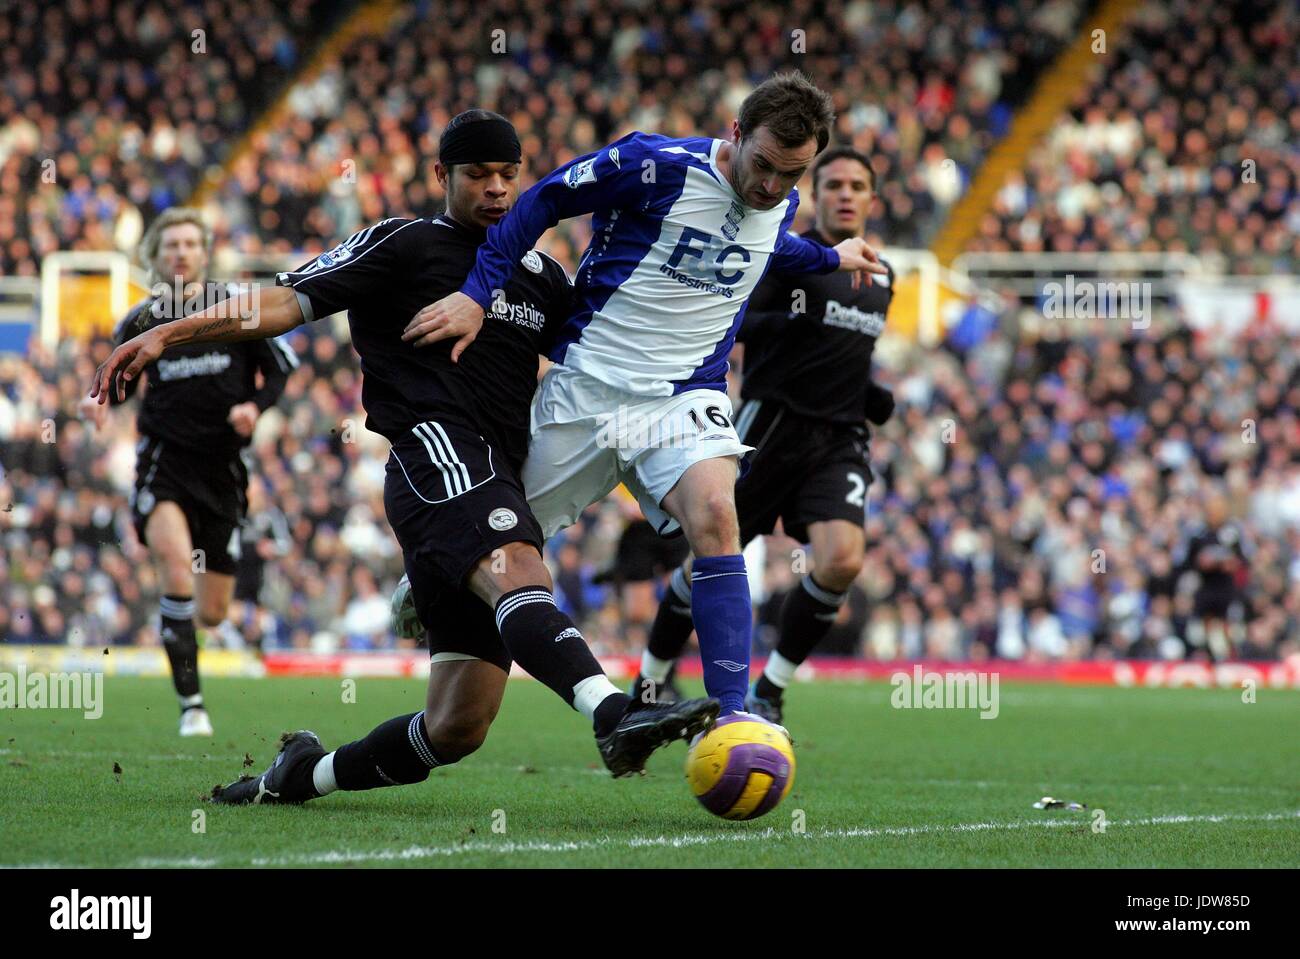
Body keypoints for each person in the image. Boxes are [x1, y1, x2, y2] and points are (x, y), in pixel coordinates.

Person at [91, 111, 718, 804]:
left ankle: (299, 773)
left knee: (458, 725)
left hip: (499, 478)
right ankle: (614, 714)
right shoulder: (404, 245)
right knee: (519, 566)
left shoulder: (541, 273)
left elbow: (605, 357)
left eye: (509, 175)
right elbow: (283, 300)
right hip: (435, 458)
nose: (496, 190)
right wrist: (168, 334)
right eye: (477, 175)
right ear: (440, 176)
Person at [402, 73, 886, 719]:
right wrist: (477, 293)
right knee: (498, 551)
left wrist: (830, 259)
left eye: (791, 175)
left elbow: (770, 244)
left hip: (684, 397)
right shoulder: (654, 164)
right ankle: (429, 577)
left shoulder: (782, 203)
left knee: (718, 516)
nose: (771, 186)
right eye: (764, 166)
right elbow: (544, 198)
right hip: (589, 389)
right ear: (735, 133)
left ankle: (735, 716)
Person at [632, 146, 897, 724]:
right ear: (817, 195)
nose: (846, 194)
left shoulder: (882, 276)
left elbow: (847, 350)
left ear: (872, 199)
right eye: (834, 185)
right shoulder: (785, 255)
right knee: (709, 555)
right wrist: (789, 323)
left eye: (857, 185)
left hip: (838, 441)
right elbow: (736, 319)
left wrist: (869, 392)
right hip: (770, 427)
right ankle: (650, 681)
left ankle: (770, 689)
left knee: (843, 559)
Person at [78, 208, 295, 736]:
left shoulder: (237, 309)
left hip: (223, 470)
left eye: (189, 244)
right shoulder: (139, 321)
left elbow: (281, 368)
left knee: (214, 611)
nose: (179, 252)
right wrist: (101, 404)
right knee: (176, 572)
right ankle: (191, 705)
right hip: (164, 463)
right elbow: (114, 380)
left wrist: (256, 407)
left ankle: (198, 634)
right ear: (154, 256)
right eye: (170, 244)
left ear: (204, 251)